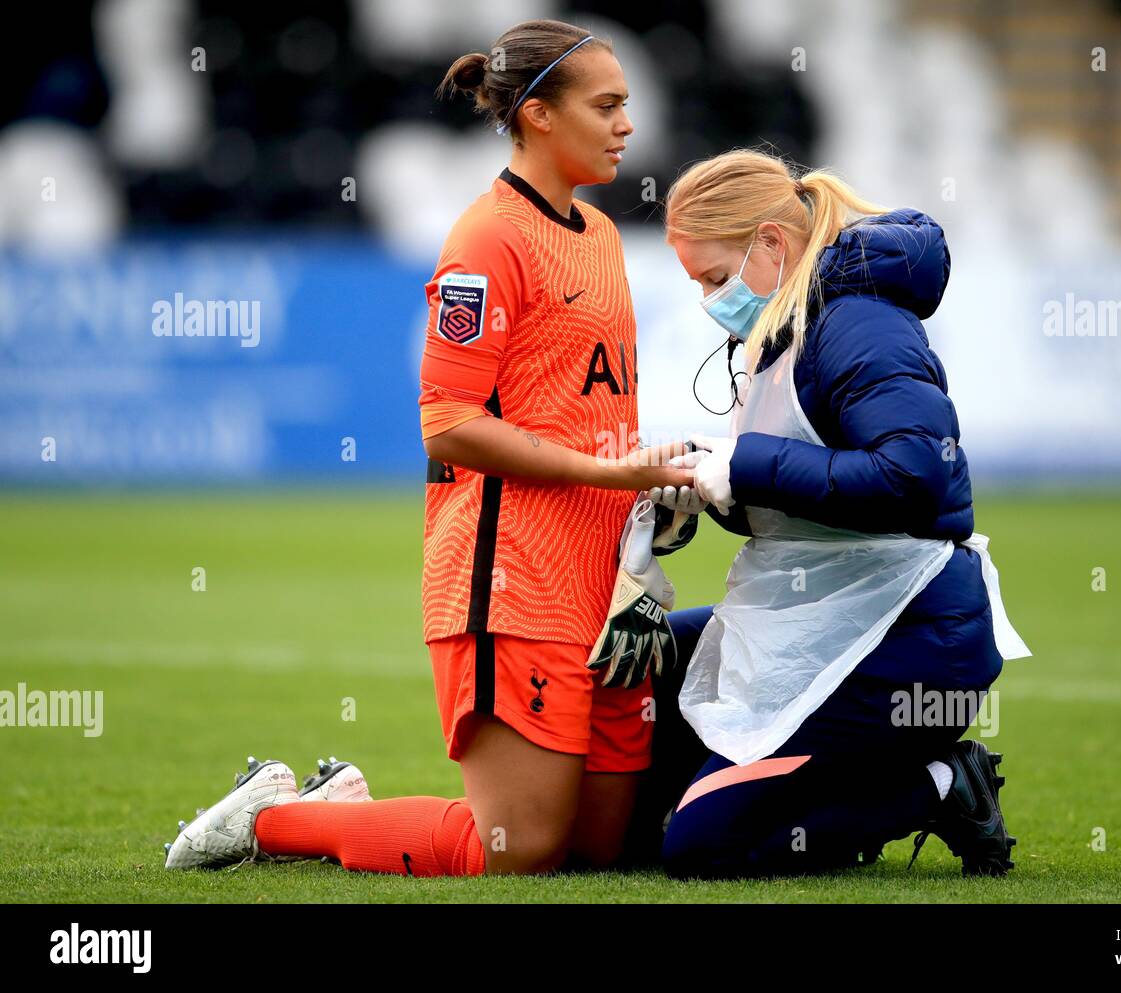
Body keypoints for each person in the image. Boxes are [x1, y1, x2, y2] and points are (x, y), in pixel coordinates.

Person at [163, 18, 694, 876]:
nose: (627, 124)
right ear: (538, 115)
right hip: (511, 582)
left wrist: (647, 494)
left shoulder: (597, 236)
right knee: (514, 851)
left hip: (606, 583)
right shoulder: (487, 238)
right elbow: (447, 423)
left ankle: (338, 805)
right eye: (606, 105)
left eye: (627, 104)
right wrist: (606, 470)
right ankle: (273, 819)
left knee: (601, 852)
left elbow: (588, 407)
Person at [622, 149, 1032, 878]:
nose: (709, 301)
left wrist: (740, 466)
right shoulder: (787, 323)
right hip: (835, 611)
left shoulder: (856, 324)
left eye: (715, 278)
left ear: (772, 245)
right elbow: (807, 506)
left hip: (911, 639)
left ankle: (939, 787)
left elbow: (914, 478)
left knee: (699, 848)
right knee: (641, 674)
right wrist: (708, 492)